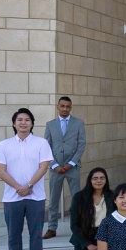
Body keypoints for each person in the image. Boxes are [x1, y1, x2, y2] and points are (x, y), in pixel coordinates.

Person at [0, 107, 55, 250]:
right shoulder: (4, 145)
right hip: (12, 197)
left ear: (32, 123)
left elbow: (43, 167)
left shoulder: (41, 143)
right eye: (20, 119)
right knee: (14, 233)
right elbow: (0, 171)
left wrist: (28, 186)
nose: (23, 122)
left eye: (27, 120)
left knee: (35, 233)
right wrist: (18, 187)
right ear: (14, 123)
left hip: (35, 196)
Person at [42, 96, 85, 239]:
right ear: (58, 107)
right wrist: (54, 165)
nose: (65, 109)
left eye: (68, 106)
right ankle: (52, 228)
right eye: (62, 106)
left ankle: (77, 227)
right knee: (53, 199)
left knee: (76, 198)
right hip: (55, 168)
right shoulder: (50, 124)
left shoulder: (78, 123)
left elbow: (81, 144)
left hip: (72, 167)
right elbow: (46, 146)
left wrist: (71, 163)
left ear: (70, 108)